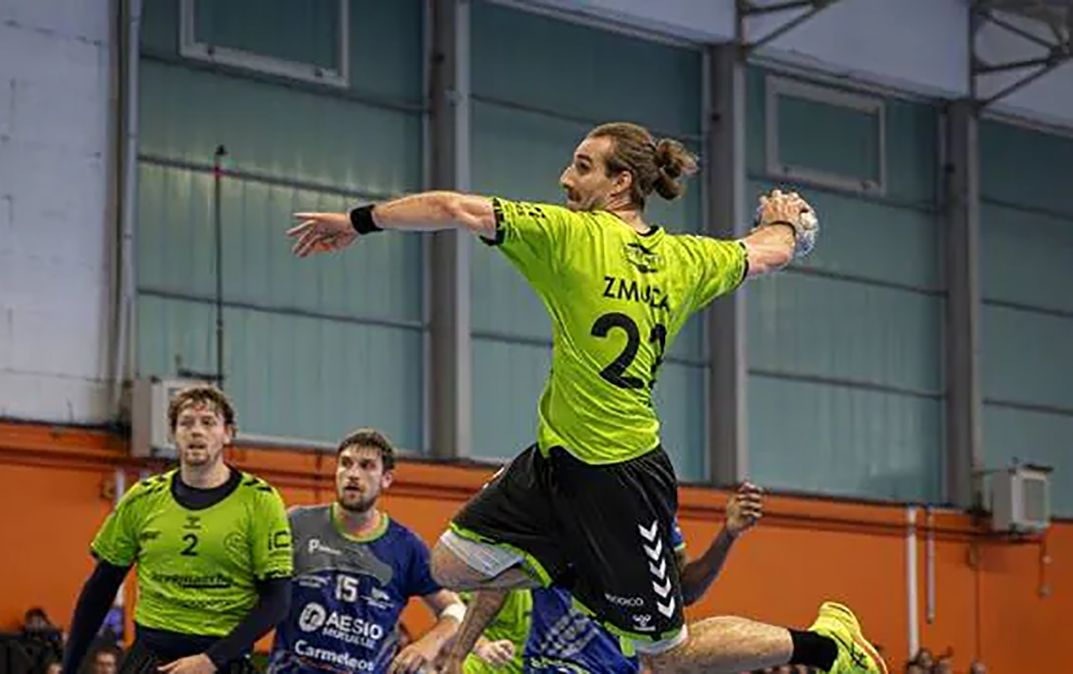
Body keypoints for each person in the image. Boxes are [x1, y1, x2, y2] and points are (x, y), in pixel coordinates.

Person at [286, 121, 884, 674]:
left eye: (581, 167)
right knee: (451, 565)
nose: (565, 179)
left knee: (665, 656)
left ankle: (830, 646)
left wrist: (355, 220)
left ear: (620, 182)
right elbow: (768, 251)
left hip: (621, 474)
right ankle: (575, 566)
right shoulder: (690, 257)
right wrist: (790, 221)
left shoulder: (569, 234)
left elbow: (450, 207)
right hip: (554, 461)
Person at [61, 385, 294, 674]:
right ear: (173, 434)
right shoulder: (142, 498)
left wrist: (211, 660)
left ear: (228, 434)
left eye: (208, 422)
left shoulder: (260, 501)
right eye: (186, 423)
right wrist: (69, 667)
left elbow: (278, 600)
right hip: (149, 659)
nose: (196, 431)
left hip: (221, 661)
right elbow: (100, 588)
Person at [462, 482, 765, 673]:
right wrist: (459, 651)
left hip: (619, 665)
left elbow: (684, 591)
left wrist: (728, 534)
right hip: (556, 663)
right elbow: (497, 580)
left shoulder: (652, 506)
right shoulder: (550, 494)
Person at [267, 428, 466, 673]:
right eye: (346, 464)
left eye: (366, 466)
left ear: (386, 479)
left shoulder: (405, 547)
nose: (353, 474)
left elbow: (455, 609)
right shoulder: (297, 523)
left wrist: (428, 644)